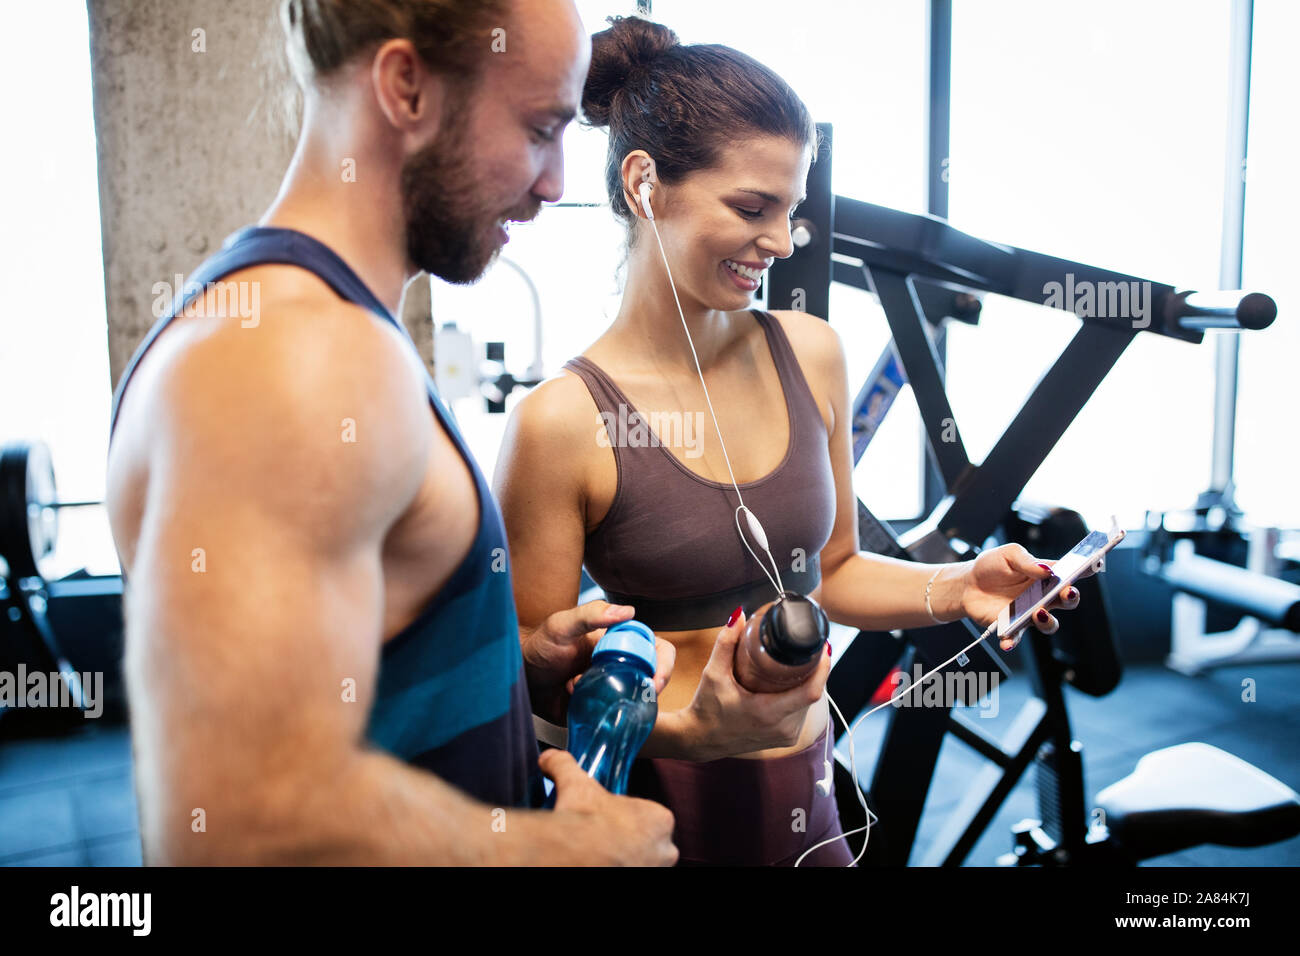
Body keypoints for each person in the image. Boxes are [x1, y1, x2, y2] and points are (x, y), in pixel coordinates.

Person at [494, 15, 1082, 866]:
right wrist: (694, 734)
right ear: (644, 183)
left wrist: (961, 587)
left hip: (806, 781)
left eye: (792, 211)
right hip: (657, 797)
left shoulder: (810, 352)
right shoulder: (562, 420)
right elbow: (535, 696)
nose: (781, 241)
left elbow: (833, 571)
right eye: (752, 207)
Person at [105, 0, 679, 866]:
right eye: (538, 130)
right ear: (407, 89)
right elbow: (237, 816)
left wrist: (513, 662)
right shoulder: (299, 356)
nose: (556, 181)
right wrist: (562, 853)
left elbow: (351, 699)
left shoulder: (333, 331)